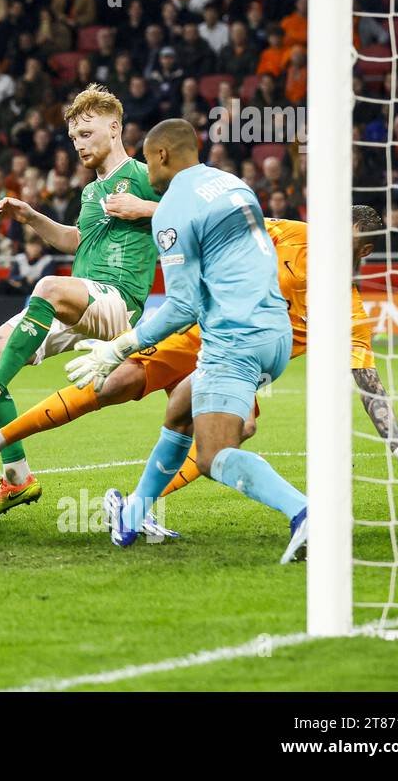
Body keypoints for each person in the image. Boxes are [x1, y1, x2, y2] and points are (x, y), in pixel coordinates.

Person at [0, 207, 398, 514]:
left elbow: (367, 382)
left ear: (363, 255)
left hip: (238, 364)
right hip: (195, 331)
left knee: (231, 434)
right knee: (112, 384)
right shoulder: (289, 232)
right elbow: (218, 219)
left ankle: (140, 509)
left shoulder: (349, 312)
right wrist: (148, 213)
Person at [66, 118, 309, 562]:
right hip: (276, 331)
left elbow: (183, 308)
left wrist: (118, 347)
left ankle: (305, 514)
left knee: (215, 454)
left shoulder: (173, 208)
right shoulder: (234, 184)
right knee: (180, 407)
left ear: (160, 156)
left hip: (234, 339)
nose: (146, 171)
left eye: (146, 160)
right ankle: (134, 512)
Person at [0, 85, 159, 521]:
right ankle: (17, 477)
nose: (79, 144)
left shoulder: (142, 174)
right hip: (83, 297)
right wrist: (32, 216)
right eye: (74, 137)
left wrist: (145, 207)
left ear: (114, 128)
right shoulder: (91, 192)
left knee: (45, 287)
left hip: (120, 300)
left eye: (87, 132)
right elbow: (75, 240)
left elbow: (191, 212)